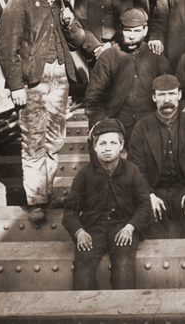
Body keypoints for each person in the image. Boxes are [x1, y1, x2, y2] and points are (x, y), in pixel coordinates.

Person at [0, 0, 87, 222]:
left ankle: (46, 194)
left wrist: (71, 25)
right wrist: (16, 86)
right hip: (33, 84)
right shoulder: (19, 3)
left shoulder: (61, 1)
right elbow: (6, 48)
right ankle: (36, 201)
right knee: (34, 140)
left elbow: (78, 42)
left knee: (55, 140)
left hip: (60, 79)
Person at [63, 118, 151, 290]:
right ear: (94, 147)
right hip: (93, 230)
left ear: (121, 145)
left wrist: (130, 227)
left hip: (123, 228)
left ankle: (123, 314)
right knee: (83, 267)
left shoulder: (132, 171)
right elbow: (70, 212)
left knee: (124, 265)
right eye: (102, 143)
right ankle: (85, 313)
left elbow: (144, 206)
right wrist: (79, 232)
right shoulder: (84, 175)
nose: (108, 148)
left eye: (113, 142)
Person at [126, 74, 185, 239]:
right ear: (153, 97)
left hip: (184, 189)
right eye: (161, 95)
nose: (167, 99)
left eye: (171, 94)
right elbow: (136, 167)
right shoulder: (141, 127)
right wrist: (148, 195)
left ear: (179, 95)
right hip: (155, 192)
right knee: (152, 227)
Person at [84, 8, 172, 137]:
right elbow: (93, 95)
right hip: (116, 123)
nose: (132, 36)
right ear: (121, 29)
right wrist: (101, 122)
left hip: (151, 124)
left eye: (137, 31)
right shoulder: (108, 56)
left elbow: (170, 87)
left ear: (145, 31)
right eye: (128, 30)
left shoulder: (154, 55)